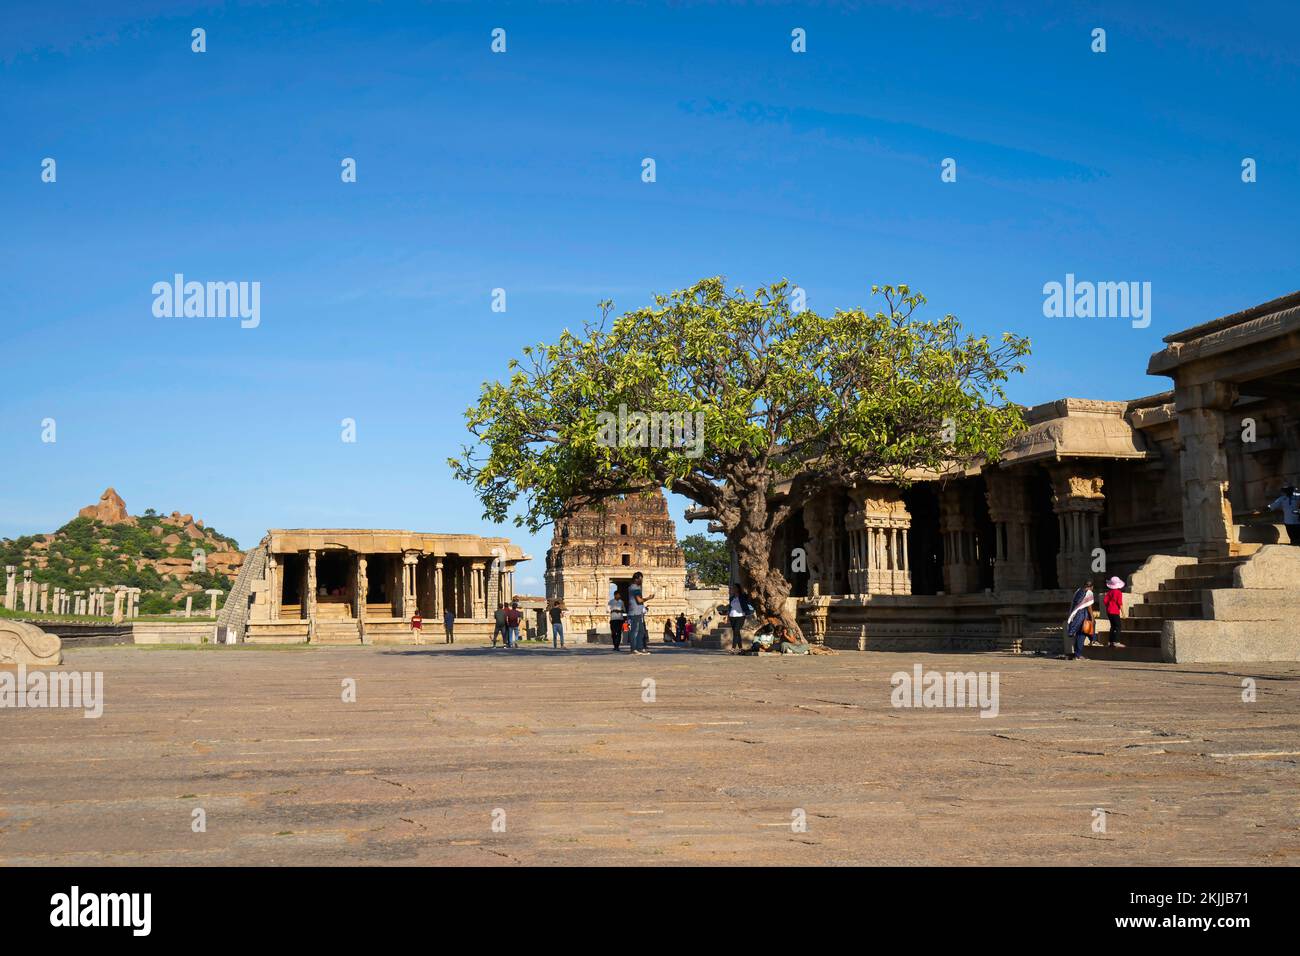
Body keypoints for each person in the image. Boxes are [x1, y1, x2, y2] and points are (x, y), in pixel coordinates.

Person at [1064, 581, 1095, 660]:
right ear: (1091, 587)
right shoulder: (1089, 592)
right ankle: (1093, 640)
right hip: (1082, 615)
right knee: (1082, 634)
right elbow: (1089, 607)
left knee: (1079, 634)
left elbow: (1073, 604)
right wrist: (1092, 617)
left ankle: (1077, 654)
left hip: (1075, 615)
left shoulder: (1078, 591)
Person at [627, 571, 650, 655]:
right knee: (635, 631)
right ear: (636, 579)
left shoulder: (633, 587)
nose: (642, 581)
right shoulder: (635, 588)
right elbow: (639, 600)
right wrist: (648, 598)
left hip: (637, 611)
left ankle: (639, 648)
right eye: (641, 579)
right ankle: (634, 649)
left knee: (641, 631)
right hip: (635, 612)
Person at [727, 584, 753, 652]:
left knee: (736, 631)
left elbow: (749, 598)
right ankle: (741, 648)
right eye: (732, 588)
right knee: (737, 632)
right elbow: (730, 607)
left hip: (741, 616)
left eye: (734, 588)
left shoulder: (743, 596)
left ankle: (733, 648)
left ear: (738, 589)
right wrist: (728, 616)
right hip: (732, 616)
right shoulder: (732, 598)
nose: (733, 589)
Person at [1102, 576, 1125, 648]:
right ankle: (1116, 641)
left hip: (1109, 611)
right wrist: (1123, 613)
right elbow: (1120, 603)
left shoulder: (1109, 592)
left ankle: (1110, 641)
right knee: (1118, 626)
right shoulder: (1118, 592)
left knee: (1112, 626)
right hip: (1115, 611)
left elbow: (1105, 601)